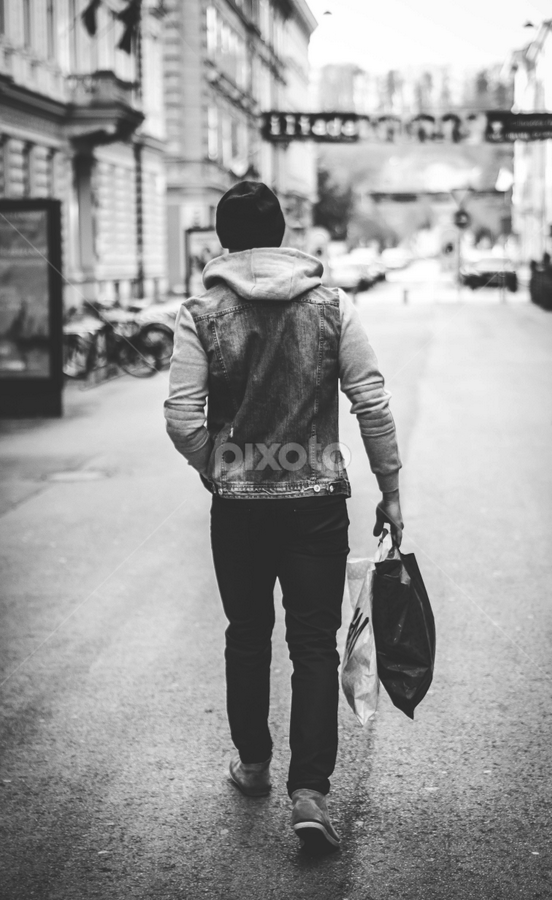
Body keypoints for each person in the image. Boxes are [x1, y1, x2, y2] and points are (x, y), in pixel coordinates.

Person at [164, 182, 403, 854]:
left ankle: (254, 765)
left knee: (246, 634)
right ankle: (310, 791)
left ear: (223, 240)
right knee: (312, 645)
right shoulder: (331, 305)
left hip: (239, 509)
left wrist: (219, 465)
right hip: (317, 503)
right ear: (282, 231)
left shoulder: (201, 313)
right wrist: (391, 490)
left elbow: (182, 417)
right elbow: (372, 400)